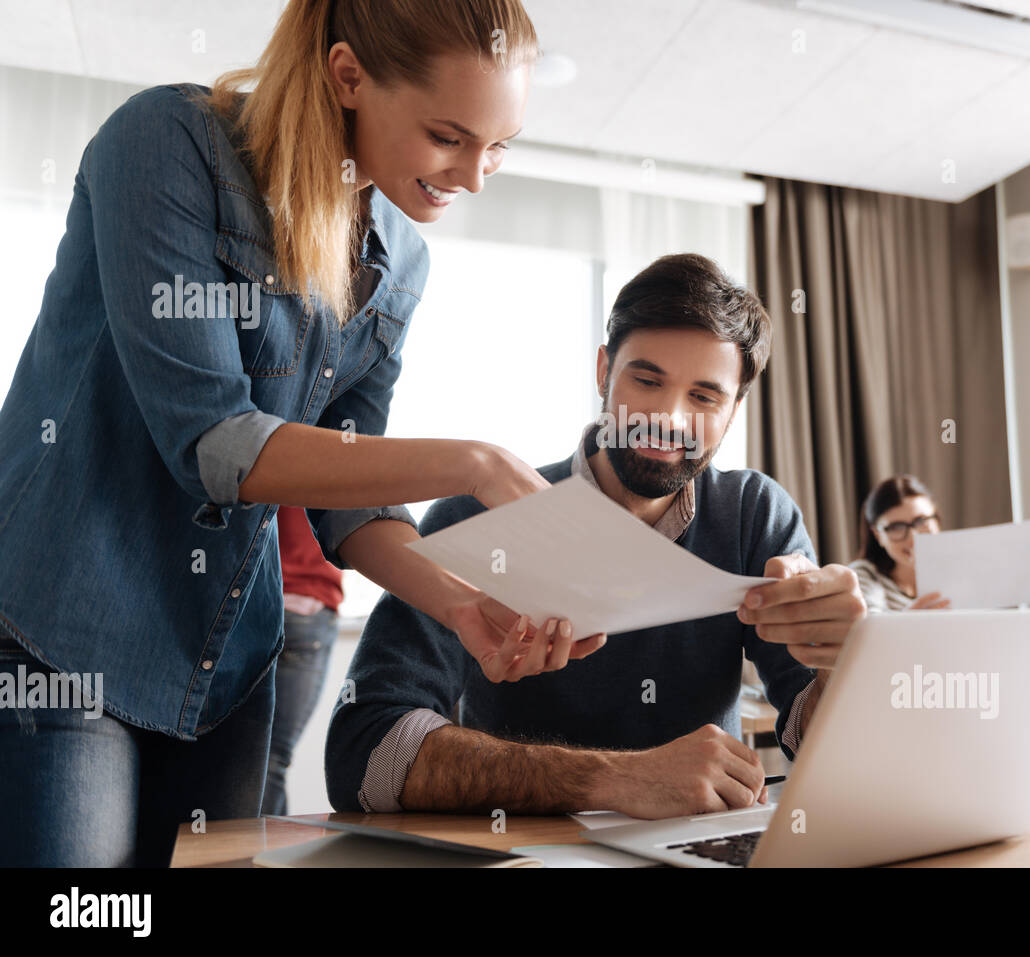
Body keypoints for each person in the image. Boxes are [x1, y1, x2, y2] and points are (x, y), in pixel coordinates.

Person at [0, 0, 602, 867]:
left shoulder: (401, 255)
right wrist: (474, 461)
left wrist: (467, 611)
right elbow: (216, 442)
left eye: (498, 145)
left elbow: (350, 505)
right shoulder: (167, 143)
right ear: (349, 74)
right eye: (449, 136)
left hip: (221, 662)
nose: (474, 175)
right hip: (69, 634)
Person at [325, 253, 869, 818]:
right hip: (527, 855)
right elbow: (365, 758)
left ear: (735, 408)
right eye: (647, 379)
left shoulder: (755, 515)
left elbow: (828, 754)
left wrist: (840, 662)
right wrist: (616, 780)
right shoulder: (475, 514)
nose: (668, 418)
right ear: (604, 370)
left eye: (704, 397)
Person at [261, 507, 344, 817]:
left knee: (250, 754)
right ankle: (257, 858)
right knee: (272, 757)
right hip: (306, 606)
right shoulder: (334, 460)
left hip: (252, 601)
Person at [848, 475, 951, 613]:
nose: (913, 537)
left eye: (921, 521)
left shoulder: (960, 571)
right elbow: (870, 626)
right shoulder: (864, 576)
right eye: (896, 527)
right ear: (878, 535)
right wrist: (908, 621)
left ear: (937, 520)